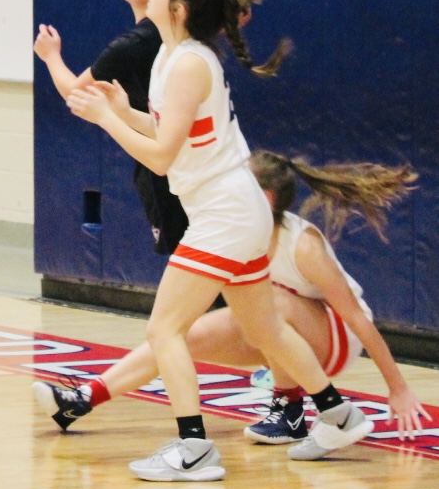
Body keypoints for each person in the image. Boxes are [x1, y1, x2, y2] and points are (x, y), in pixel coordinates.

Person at [34, 0, 372, 481]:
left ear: (178, 6)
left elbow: (164, 159)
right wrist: (122, 109)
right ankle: (339, 414)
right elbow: (175, 133)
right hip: (234, 209)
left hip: (224, 212)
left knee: (165, 328)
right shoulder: (175, 56)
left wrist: (105, 119)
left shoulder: (190, 62)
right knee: (265, 328)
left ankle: (193, 448)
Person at [36, 149, 425, 451]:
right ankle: (82, 400)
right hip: (276, 330)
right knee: (176, 337)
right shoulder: (236, 234)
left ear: (265, 198)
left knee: (275, 303)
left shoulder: (302, 245)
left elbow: (356, 317)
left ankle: (289, 407)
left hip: (335, 339)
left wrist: (398, 387)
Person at [35, 0, 243, 254]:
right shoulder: (169, 50)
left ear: (179, 5)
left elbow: (161, 157)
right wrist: (125, 114)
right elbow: (236, 11)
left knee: (188, 297)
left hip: (209, 195)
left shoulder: (172, 55)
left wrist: (52, 58)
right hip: (200, 190)